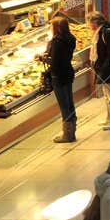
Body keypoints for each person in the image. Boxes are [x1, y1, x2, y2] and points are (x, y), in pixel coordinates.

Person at [44, 15, 79, 143]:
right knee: (69, 102)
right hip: (68, 73)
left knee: (64, 105)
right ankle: (72, 132)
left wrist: (43, 58)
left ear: (57, 28)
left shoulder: (57, 42)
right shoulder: (70, 39)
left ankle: (67, 135)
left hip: (58, 76)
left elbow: (54, 62)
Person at [89, 10, 110, 131]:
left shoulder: (107, 33)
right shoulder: (101, 32)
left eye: (90, 23)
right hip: (106, 70)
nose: (89, 26)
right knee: (108, 96)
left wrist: (104, 70)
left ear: (94, 22)